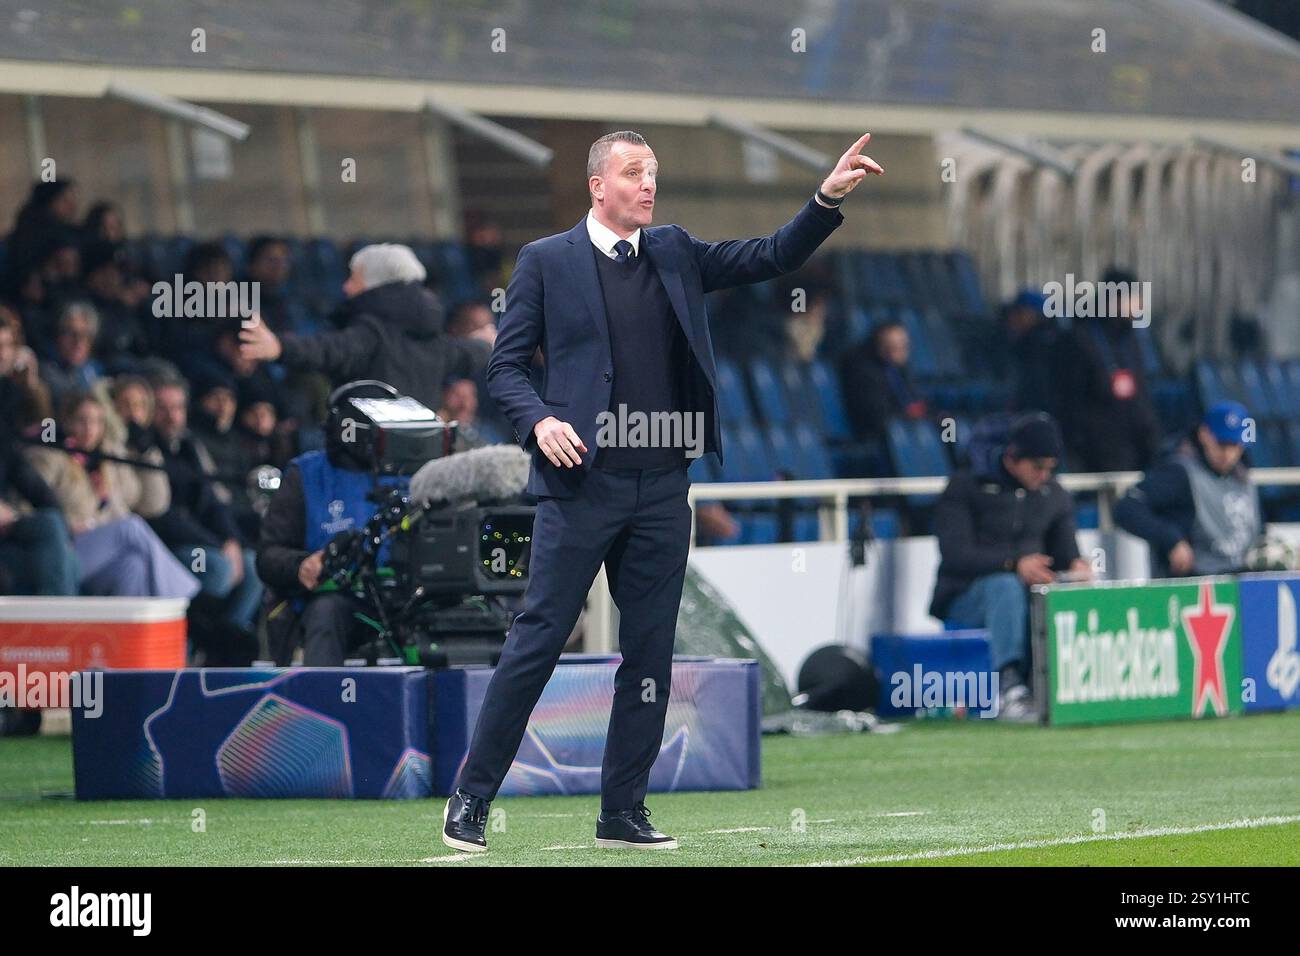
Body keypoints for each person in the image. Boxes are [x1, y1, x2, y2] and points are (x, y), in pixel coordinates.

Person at [441, 129, 881, 854]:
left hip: (662, 486)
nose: (648, 185)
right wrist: (540, 421)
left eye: (654, 174)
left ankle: (623, 812)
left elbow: (770, 255)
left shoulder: (675, 250)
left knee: (649, 656)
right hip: (581, 484)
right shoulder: (545, 261)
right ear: (597, 185)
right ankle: (471, 798)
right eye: (634, 173)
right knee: (538, 640)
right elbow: (506, 369)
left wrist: (824, 200)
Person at [929, 412, 1090, 720]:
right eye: (1037, 467)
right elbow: (955, 555)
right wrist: (1013, 565)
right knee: (1005, 586)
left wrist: (1075, 568)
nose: (1044, 475)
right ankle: (1009, 687)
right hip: (964, 596)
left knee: (1068, 589)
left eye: (1050, 468)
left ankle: (1071, 681)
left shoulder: (1053, 494)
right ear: (1012, 458)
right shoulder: (965, 486)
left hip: (1029, 596)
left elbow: (1065, 551)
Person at [256, 381, 410, 665]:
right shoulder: (304, 474)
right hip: (337, 597)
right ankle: (321, 702)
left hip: (405, 595)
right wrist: (300, 565)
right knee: (327, 611)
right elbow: (268, 556)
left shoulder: (414, 471)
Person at [238, 243, 480, 413]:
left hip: (369, 458)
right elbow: (468, 353)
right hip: (421, 454)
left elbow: (329, 349)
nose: (345, 287)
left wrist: (280, 346)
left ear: (376, 286)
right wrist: (488, 343)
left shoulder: (371, 332)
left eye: (354, 279)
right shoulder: (432, 338)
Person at [22, 391, 197, 601]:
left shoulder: (105, 459)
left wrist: (146, 452)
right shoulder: (48, 456)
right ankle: (182, 597)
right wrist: (69, 525)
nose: (89, 429)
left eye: (97, 422)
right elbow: (28, 509)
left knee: (134, 565)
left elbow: (152, 504)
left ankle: (132, 633)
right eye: (82, 421)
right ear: (67, 422)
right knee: (131, 527)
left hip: (100, 549)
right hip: (65, 548)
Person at [148, 378, 264, 634]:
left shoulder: (190, 447)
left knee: (253, 565)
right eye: (163, 409)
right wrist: (217, 544)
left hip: (205, 541)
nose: (171, 416)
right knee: (217, 567)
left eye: (177, 408)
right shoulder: (146, 448)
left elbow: (213, 500)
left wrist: (231, 540)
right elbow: (163, 516)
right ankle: (191, 640)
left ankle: (224, 644)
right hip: (167, 545)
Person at [1115, 401, 1262, 578]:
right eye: (1222, 444)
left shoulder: (1242, 477)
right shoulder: (1179, 472)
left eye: (1235, 446)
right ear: (1204, 434)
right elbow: (1127, 508)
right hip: (1193, 582)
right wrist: (1171, 540)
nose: (1228, 454)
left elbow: (1253, 528)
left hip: (1241, 578)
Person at [1055, 267, 1161, 472]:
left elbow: (1141, 395)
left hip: (1134, 446)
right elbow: (1070, 401)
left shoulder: (1133, 340)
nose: (1139, 305)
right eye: (1133, 298)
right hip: (1094, 452)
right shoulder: (1079, 340)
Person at [837, 319, 928, 445]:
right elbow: (878, 415)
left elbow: (915, 400)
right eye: (894, 346)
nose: (902, 350)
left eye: (904, 345)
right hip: (880, 435)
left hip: (907, 425)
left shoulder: (900, 369)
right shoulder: (865, 371)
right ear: (880, 345)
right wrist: (910, 415)